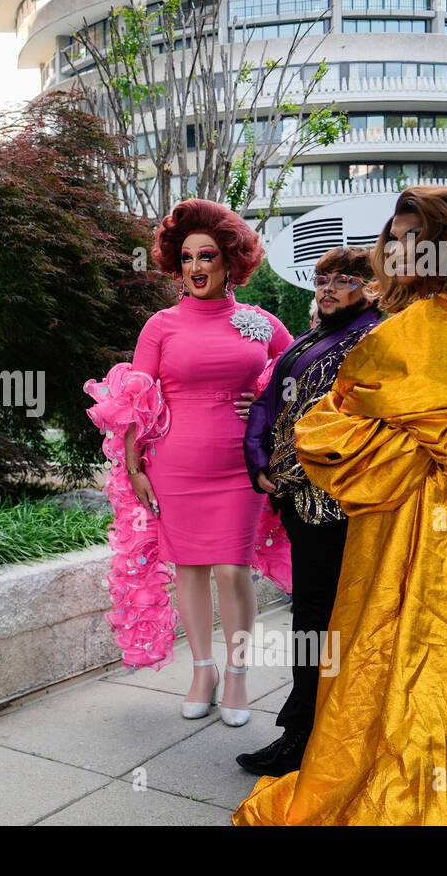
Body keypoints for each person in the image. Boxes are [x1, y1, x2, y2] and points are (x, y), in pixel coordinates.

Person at [233, 185, 447, 824]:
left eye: (420, 238)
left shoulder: (427, 324)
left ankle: (411, 771)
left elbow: (333, 427)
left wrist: (319, 432)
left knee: (405, 641)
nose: (402, 248)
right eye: (396, 237)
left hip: (422, 516)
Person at [84, 199, 293, 724]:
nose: (196, 268)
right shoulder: (160, 325)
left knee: (232, 568)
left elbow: (300, 381)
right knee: (190, 571)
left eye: (207, 256)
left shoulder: (261, 323)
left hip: (240, 467)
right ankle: (204, 670)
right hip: (174, 466)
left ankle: (239, 675)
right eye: (187, 259)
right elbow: (136, 398)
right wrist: (134, 469)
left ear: (230, 261)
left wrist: (265, 402)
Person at [236, 246, 381, 777]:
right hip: (298, 500)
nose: (327, 287)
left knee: (326, 621)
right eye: (322, 278)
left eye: (343, 279)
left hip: (338, 504)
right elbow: (269, 405)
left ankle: (309, 737)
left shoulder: (374, 338)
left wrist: (290, 471)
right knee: (313, 619)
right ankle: (305, 731)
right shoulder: (311, 339)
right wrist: (259, 464)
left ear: (373, 287)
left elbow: (354, 424)